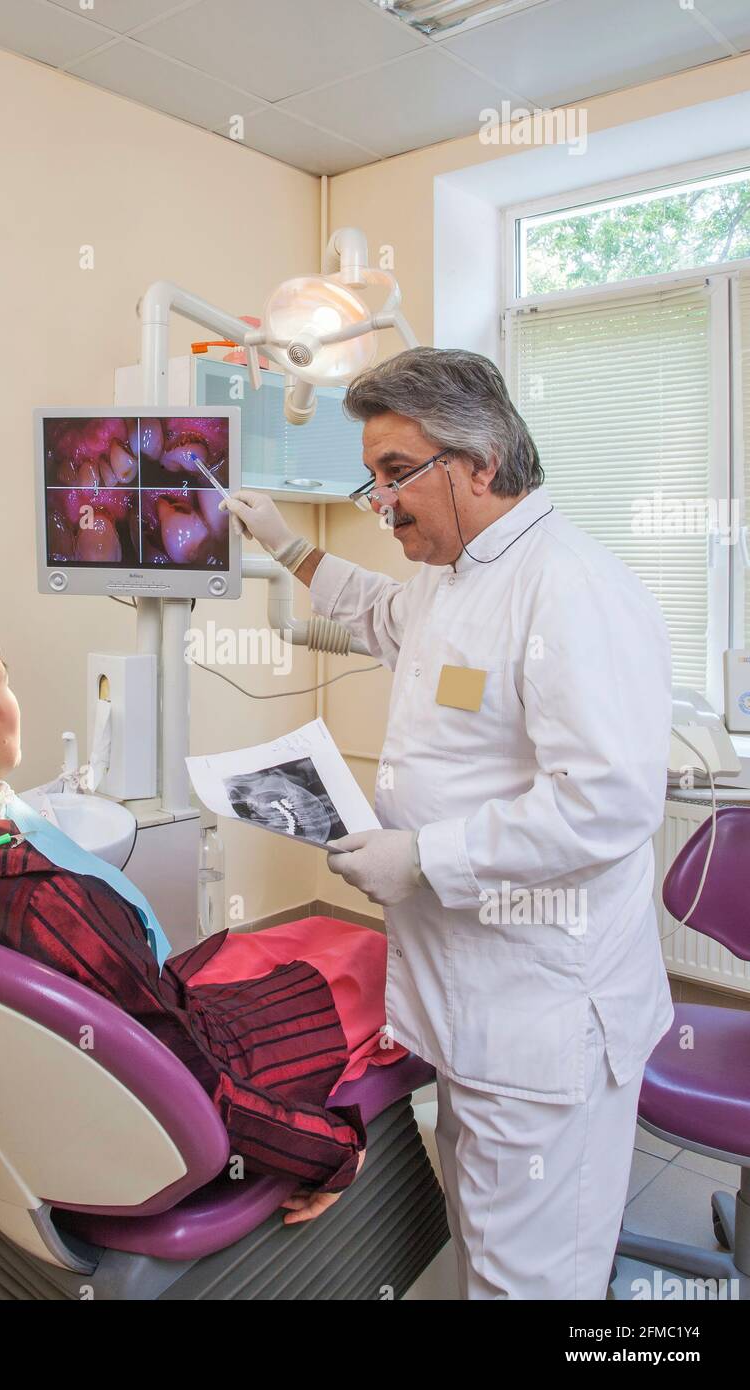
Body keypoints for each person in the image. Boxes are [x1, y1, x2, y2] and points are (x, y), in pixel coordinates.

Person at [220, 346, 674, 1297]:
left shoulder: (571, 589)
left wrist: (427, 855)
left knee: (531, 1278)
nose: (377, 500)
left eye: (395, 472)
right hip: (469, 1001)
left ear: (479, 462)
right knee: (482, 1241)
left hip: (540, 1009)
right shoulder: (453, 570)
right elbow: (389, 618)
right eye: (371, 475)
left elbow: (607, 803)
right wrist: (287, 548)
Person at [0, 592, 408, 1224]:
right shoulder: (44, 899)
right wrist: (335, 1152)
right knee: (372, 962)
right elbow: (200, 1096)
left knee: (310, 935)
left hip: (111, 1054)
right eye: (5, 681)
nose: (15, 698)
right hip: (183, 1078)